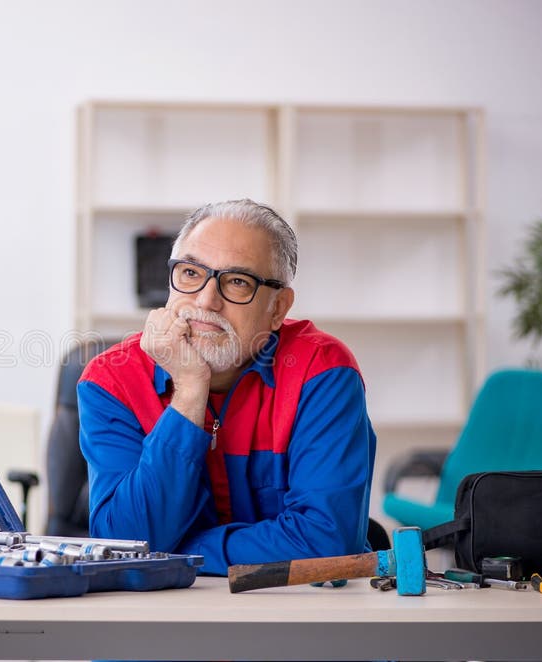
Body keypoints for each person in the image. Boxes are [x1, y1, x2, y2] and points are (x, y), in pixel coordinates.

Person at [78, 199, 376, 575]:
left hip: (297, 606)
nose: (206, 300)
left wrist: (179, 554)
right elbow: (124, 543)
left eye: (237, 282)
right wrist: (190, 389)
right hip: (159, 608)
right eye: (190, 273)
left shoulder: (322, 372)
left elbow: (326, 542)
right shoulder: (111, 380)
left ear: (278, 308)